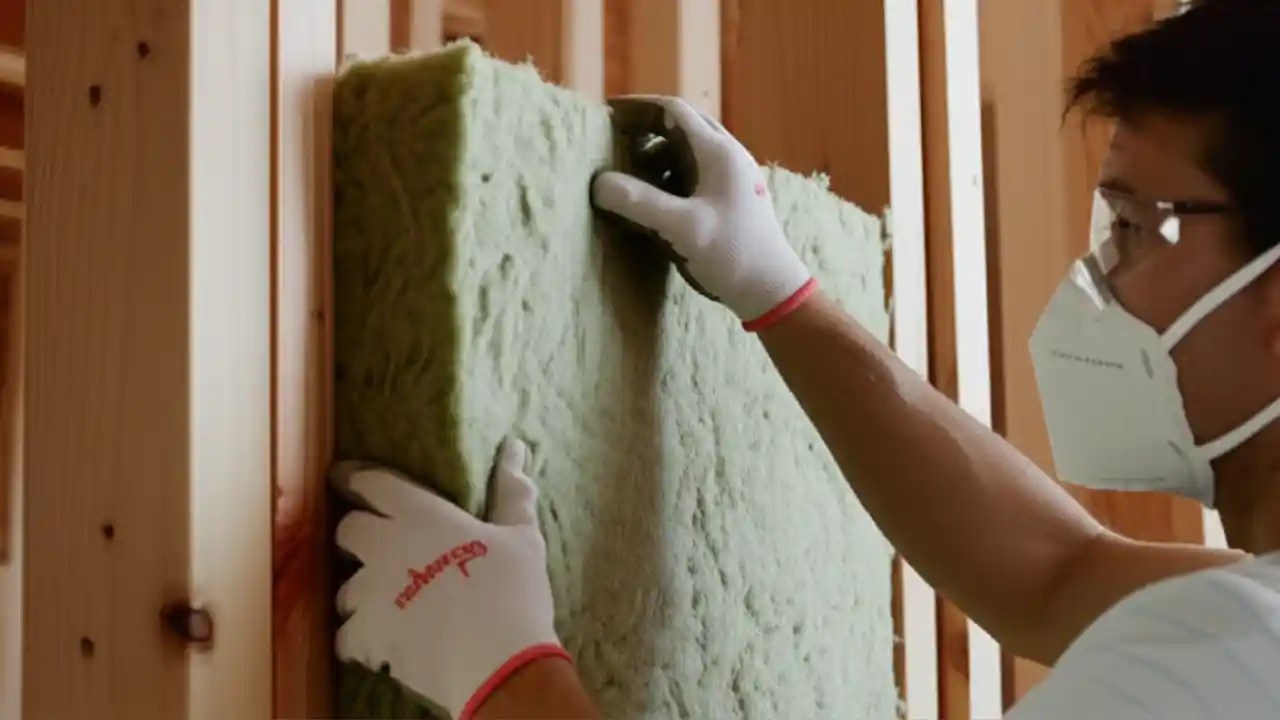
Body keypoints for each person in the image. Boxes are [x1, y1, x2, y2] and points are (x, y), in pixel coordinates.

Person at [330, 2, 1280, 718]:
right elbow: (1056, 575)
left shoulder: (1222, 663)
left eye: (1132, 226)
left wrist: (507, 676)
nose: (1098, 276)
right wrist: (779, 292)